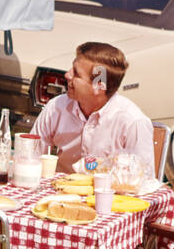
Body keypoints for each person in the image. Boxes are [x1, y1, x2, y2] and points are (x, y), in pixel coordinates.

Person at [32, 41, 154, 173]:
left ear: (98, 86)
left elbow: (142, 179)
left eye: (77, 74)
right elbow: (31, 156)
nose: (67, 75)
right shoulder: (56, 107)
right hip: (60, 190)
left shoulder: (132, 122)